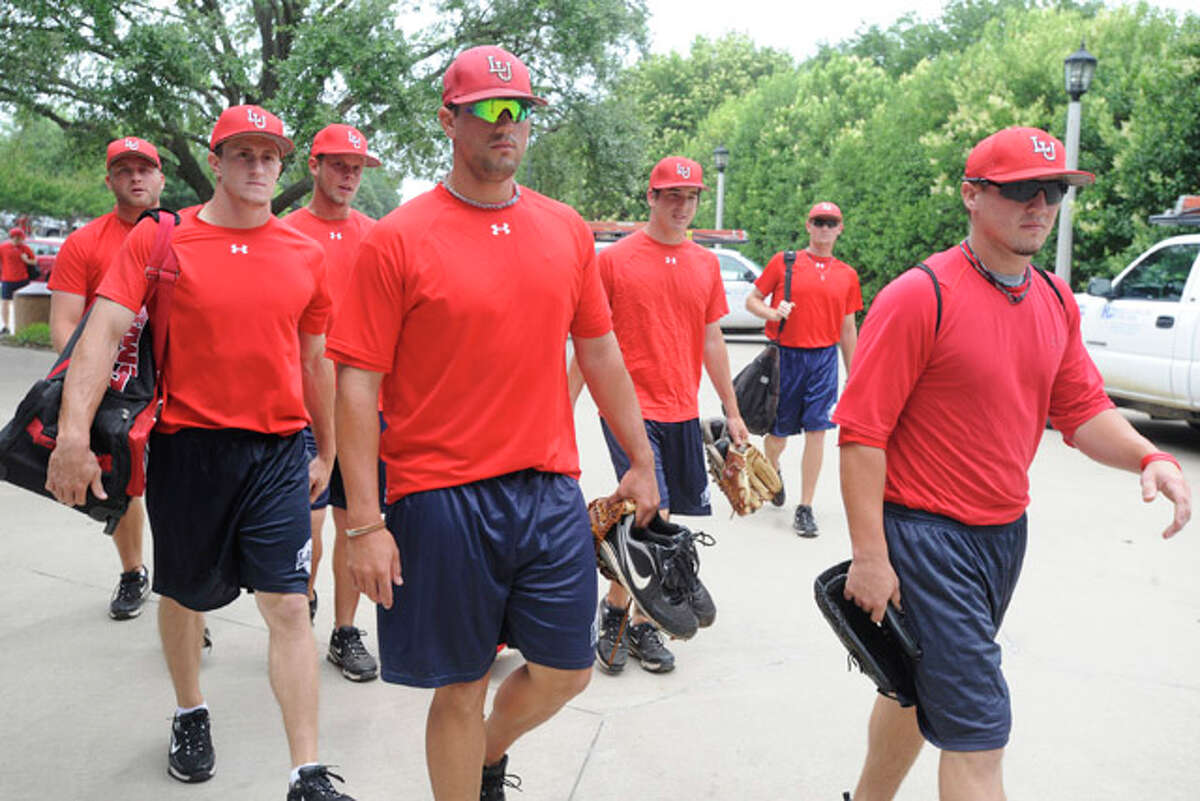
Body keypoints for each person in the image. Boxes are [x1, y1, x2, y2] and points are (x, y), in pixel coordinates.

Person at [328, 45, 658, 801]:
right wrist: (364, 524)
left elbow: (600, 350)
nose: (507, 125)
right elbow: (356, 386)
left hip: (547, 490)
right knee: (461, 683)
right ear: (450, 120)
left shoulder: (569, 231)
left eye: (521, 112)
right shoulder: (398, 239)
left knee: (568, 670)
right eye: (489, 111)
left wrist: (641, 457)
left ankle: (485, 757)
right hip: (440, 496)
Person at [833, 126, 1191, 801]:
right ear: (971, 195)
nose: (1040, 204)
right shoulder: (919, 295)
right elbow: (861, 434)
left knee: (916, 687)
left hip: (1003, 534)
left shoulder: (1054, 298)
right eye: (1021, 189)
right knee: (980, 731)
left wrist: (1148, 454)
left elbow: (1082, 409)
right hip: (926, 537)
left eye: (1053, 189)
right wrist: (870, 555)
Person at [45, 104, 357, 801]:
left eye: (268, 155)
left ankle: (306, 772)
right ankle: (190, 710)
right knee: (185, 595)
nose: (256, 166)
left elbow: (315, 360)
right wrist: (73, 437)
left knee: (286, 604)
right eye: (241, 154)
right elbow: (99, 335)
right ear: (214, 163)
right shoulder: (163, 239)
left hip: (278, 452)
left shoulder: (307, 253)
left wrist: (327, 449)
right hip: (189, 450)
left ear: (282, 167)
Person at [569, 155, 748, 675]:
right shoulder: (614, 262)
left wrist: (730, 410)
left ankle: (629, 619)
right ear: (650, 197)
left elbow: (713, 338)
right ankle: (623, 623)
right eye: (672, 195)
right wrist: (562, 409)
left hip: (680, 408)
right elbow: (590, 341)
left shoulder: (705, 264)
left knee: (651, 518)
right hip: (628, 408)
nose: (683, 205)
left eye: (691, 197)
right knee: (652, 512)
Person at [48, 136, 166, 620]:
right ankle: (133, 570)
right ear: (110, 179)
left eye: (145, 169)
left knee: (177, 489)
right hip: (116, 388)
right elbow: (65, 326)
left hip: (174, 385)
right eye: (124, 170)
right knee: (124, 486)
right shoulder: (86, 242)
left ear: (161, 178)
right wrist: (90, 389)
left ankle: (185, 597)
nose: (135, 177)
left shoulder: (184, 234)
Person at [283, 123, 381, 682]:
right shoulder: (288, 233)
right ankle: (301, 601)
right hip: (299, 408)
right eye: (339, 165)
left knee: (357, 524)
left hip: (364, 405)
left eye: (357, 167)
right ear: (315, 166)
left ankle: (346, 632)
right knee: (308, 528)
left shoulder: (375, 235)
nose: (348, 176)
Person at [746, 201, 861, 536]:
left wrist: (854, 374)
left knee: (817, 431)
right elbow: (752, 299)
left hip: (823, 360)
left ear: (840, 228)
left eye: (831, 223)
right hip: (787, 358)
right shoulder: (785, 262)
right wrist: (771, 312)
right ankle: (773, 469)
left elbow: (848, 328)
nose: (824, 228)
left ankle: (805, 507)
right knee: (778, 436)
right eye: (819, 222)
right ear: (808, 225)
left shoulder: (847, 275)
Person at [0, 226, 36, 334]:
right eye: (18, 238)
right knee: (5, 302)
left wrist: (26, 260)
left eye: (21, 238)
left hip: (22, 279)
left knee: (22, 304)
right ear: (12, 237)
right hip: (7, 279)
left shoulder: (25, 248)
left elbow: (34, 262)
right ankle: (6, 326)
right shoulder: (3, 248)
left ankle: (22, 327)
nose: (20, 240)